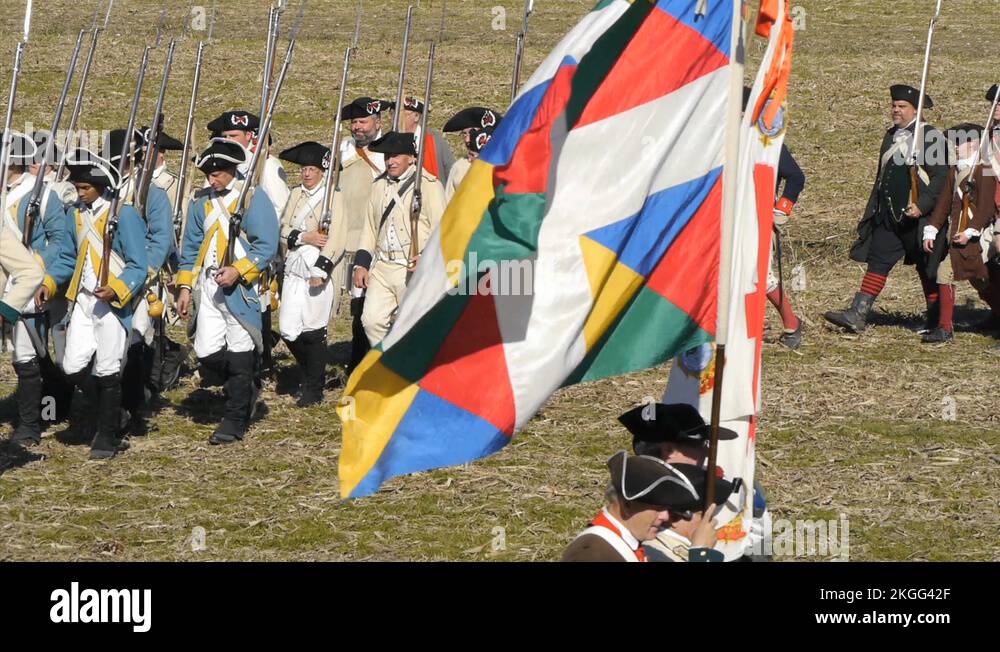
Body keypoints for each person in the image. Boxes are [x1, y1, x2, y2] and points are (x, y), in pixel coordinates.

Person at [175, 139, 279, 445]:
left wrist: (239, 270)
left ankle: (234, 420)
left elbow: (266, 245)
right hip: (209, 288)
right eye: (209, 172)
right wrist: (184, 286)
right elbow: (191, 247)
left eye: (218, 171)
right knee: (207, 352)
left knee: (240, 351)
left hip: (241, 289)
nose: (212, 177)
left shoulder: (252, 199)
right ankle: (245, 384)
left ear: (233, 170)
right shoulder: (201, 203)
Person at [825, 84, 949, 334]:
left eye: (902, 106)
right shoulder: (891, 135)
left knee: (928, 268)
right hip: (889, 215)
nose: (896, 110)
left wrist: (922, 205)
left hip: (920, 219)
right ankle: (857, 314)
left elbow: (941, 179)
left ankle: (937, 319)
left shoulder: (931, 137)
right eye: (894, 106)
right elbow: (882, 176)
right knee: (878, 261)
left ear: (916, 110)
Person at [60, 148, 149, 459]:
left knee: (108, 368)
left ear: (101, 185)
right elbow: (73, 255)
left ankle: (107, 434)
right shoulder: (76, 214)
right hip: (83, 299)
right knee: (72, 366)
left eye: (85, 188)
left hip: (113, 302)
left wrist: (117, 289)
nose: (80, 193)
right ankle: (117, 414)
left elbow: (140, 264)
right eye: (78, 188)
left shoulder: (123, 214)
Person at [619, 402, 771, 561]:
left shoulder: (721, 484)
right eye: (700, 443)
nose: (707, 451)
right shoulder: (638, 530)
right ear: (669, 450)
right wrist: (700, 552)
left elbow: (760, 547)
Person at [4, 131, 74, 446]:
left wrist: (36, 266)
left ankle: (32, 424)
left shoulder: (43, 195)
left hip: (27, 282)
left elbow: (59, 241)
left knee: (27, 352)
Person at [352, 131, 446, 345]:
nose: (390, 161)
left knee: (413, 326)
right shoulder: (378, 186)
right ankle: (388, 366)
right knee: (371, 320)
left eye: (395, 156)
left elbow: (443, 228)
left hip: (412, 268)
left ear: (411, 157)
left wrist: (426, 257)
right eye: (387, 156)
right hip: (383, 266)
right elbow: (369, 228)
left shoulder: (429, 186)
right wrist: (361, 265)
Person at [277, 141, 348, 406]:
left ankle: (313, 387)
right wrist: (304, 236)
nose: (306, 174)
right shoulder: (296, 195)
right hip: (294, 268)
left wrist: (323, 268)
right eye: (304, 169)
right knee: (288, 330)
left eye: (312, 169)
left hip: (319, 268)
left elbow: (338, 236)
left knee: (314, 329)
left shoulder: (334, 197)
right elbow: (283, 228)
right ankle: (311, 372)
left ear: (323, 172)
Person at [561, 451, 728, 562]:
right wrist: (701, 554)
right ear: (627, 505)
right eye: (657, 507)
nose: (665, 516)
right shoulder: (591, 554)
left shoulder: (618, 546)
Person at [920, 124, 997, 343]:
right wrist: (932, 230)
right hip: (960, 233)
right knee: (981, 281)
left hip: (979, 236)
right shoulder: (955, 170)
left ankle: (945, 329)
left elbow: (985, 209)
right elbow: (943, 204)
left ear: (974, 143)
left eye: (960, 142)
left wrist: (970, 232)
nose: (955, 146)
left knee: (945, 273)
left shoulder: (985, 170)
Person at [338, 97, 390, 373]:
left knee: (367, 304)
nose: (357, 127)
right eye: (354, 122)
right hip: (348, 235)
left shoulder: (390, 150)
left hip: (376, 238)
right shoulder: (343, 149)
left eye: (363, 121)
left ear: (377, 122)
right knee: (354, 301)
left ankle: (363, 361)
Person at [441, 106, 502, 202]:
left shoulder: (501, 167)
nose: (467, 139)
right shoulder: (459, 167)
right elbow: (447, 203)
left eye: (472, 133)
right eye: (464, 134)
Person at [396, 96, 455, 187]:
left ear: (416, 117)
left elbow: (451, 173)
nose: (396, 119)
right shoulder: (392, 139)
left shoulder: (435, 140)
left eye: (403, 115)